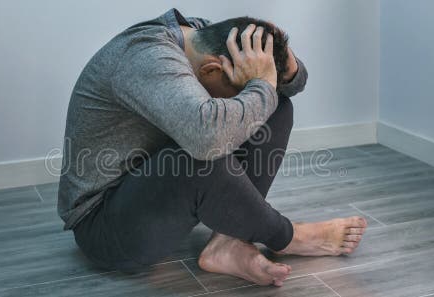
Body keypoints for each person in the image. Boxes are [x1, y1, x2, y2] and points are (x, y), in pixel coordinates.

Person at [57, 8, 367, 286]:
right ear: (210, 71)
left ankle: (227, 243)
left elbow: (289, 88)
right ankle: (288, 237)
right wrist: (261, 87)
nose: (233, 103)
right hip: (104, 227)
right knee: (202, 154)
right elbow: (206, 140)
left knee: (275, 107)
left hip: (151, 191)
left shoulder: (204, 37)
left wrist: (286, 67)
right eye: (233, 92)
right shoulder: (147, 59)